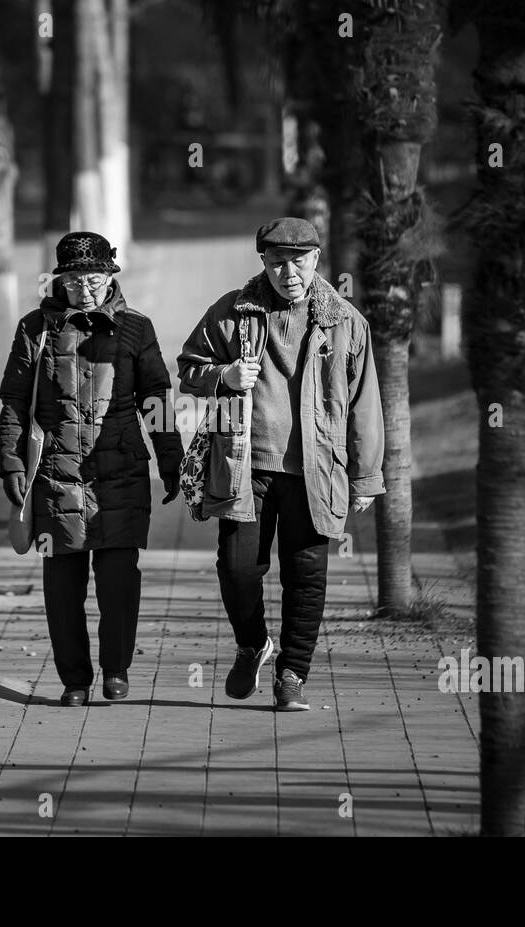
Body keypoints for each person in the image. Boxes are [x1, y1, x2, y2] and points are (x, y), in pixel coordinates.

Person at [177, 217, 385, 711]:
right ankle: (253, 644)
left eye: (298, 261)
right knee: (236, 567)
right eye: (276, 262)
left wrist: (367, 475)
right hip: (244, 465)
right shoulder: (231, 312)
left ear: (316, 260)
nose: (287, 271)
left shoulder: (345, 321)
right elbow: (188, 369)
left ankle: (292, 675)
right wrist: (223, 375)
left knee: (306, 576)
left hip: (317, 471)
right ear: (264, 263)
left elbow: (365, 403)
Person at [0, 232, 182, 707]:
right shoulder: (34, 328)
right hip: (56, 473)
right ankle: (74, 680)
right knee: (63, 588)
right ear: (61, 281)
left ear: (110, 277)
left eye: (94, 278)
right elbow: (15, 402)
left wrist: (170, 457)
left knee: (119, 581)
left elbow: (156, 398)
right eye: (75, 279)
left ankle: (116, 670)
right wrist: (11, 462)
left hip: (119, 473)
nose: (85, 289)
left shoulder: (136, 328)